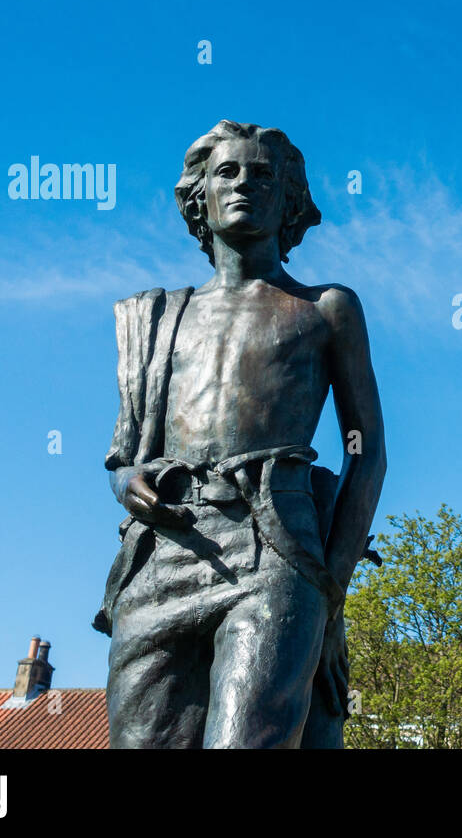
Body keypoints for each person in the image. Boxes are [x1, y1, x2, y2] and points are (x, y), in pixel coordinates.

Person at [93, 120, 386, 748]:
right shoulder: (157, 316)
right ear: (200, 194)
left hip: (276, 543)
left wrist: (331, 587)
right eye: (227, 172)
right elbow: (125, 459)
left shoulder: (327, 307)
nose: (245, 184)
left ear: (289, 198)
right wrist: (128, 484)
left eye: (263, 174)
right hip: (165, 547)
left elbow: (367, 453)